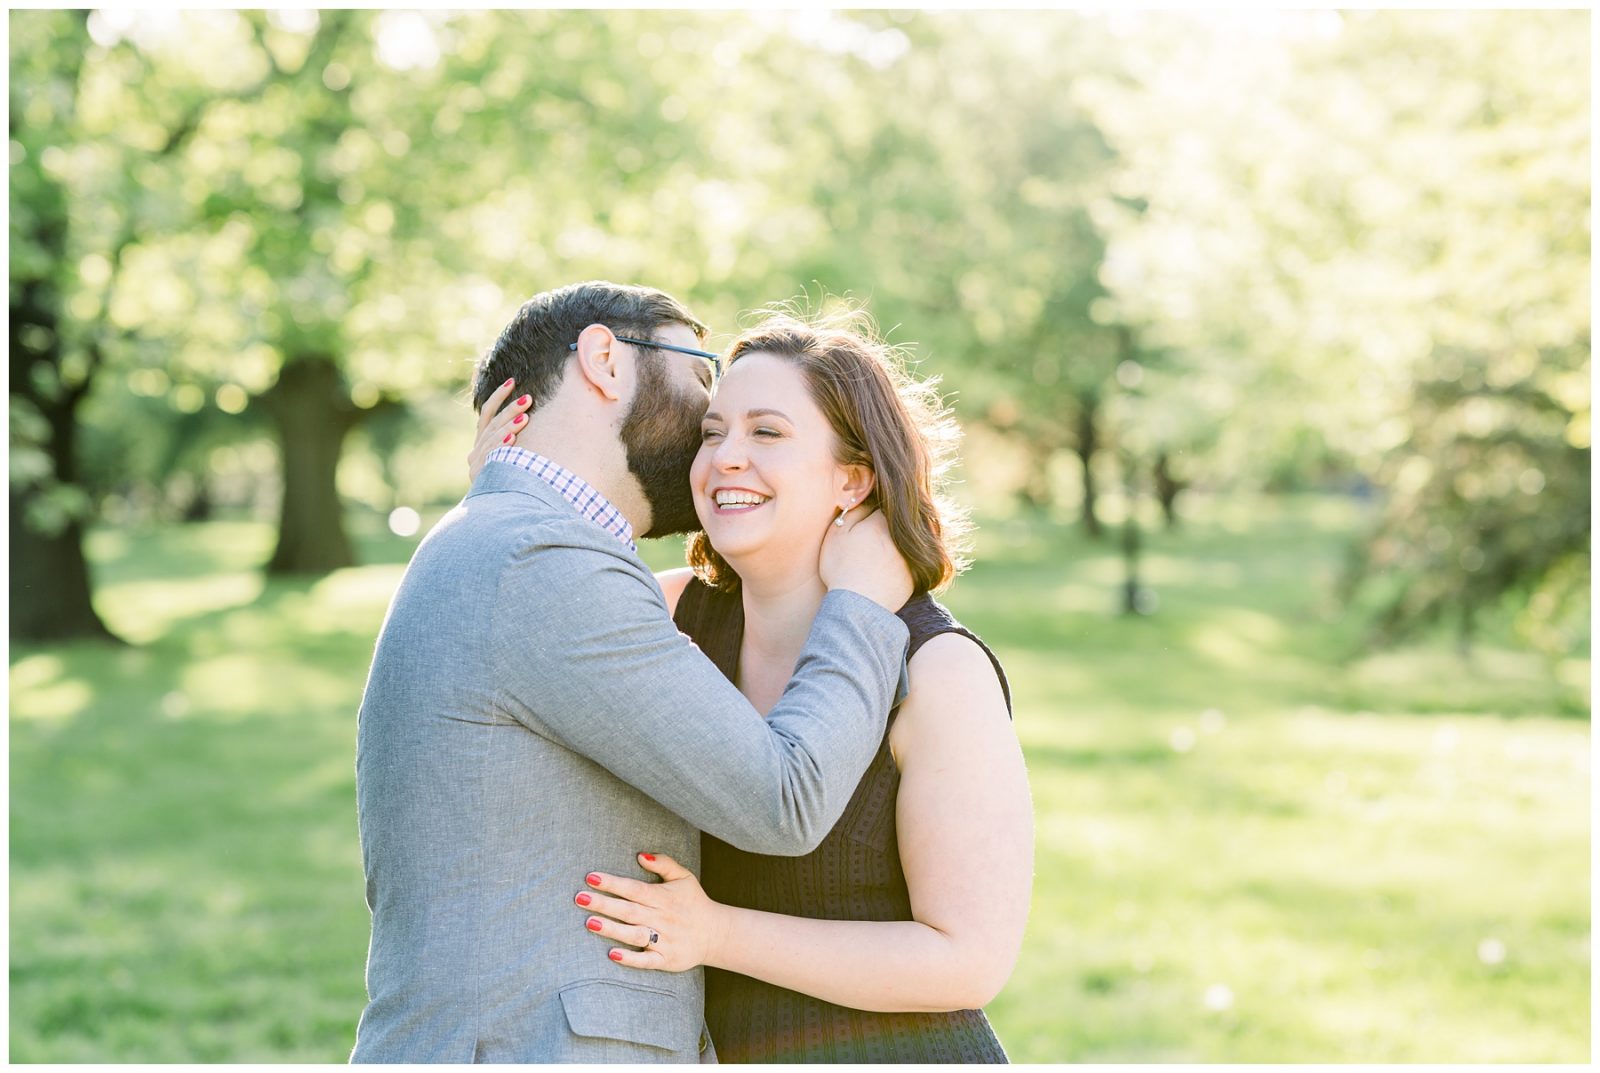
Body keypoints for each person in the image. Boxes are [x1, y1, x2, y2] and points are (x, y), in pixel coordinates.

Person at [352, 281, 916, 1063]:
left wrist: (502, 485)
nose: (712, 434)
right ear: (605, 359)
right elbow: (783, 800)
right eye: (701, 376)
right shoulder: (540, 559)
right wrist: (860, 600)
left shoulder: (509, 543)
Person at [473, 308, 1034, 1062]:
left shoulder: (939, 670)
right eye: (712, 432)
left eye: (766, 433)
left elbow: (969, 959)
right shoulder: (663, 612)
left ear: (853, 478)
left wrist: (717, 933)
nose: (725, 458)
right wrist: (493, 492)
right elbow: (513, 603)